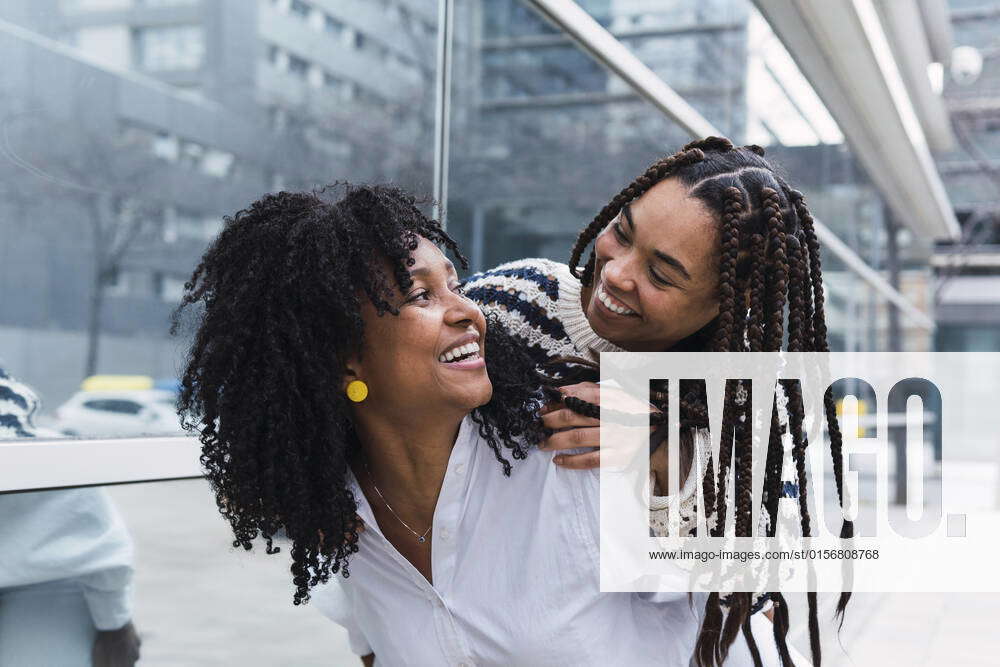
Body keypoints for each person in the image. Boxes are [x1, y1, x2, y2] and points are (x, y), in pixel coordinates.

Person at [172, 185, 784, 666]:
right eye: (422, 294)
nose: (470, 310)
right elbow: (375, 646)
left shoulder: (580, 456)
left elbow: (744, 594)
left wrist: (674, 461)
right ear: (341, 358)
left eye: (456, 285)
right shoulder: (346, 518)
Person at [463, 136, 853, 666]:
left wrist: (668, 454)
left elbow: (757, 582)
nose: (617, 272)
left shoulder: (751, 396)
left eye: (661, 275)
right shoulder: (512, 302)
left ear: (723, 304)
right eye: (622, 233)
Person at [0, 366, 141, 667]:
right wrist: (115, 624)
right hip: (47, 586)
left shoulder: (53, 456)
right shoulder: (53, 455)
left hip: (43, 586)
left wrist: (114, 622)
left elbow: (104, 554)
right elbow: (105, 552)